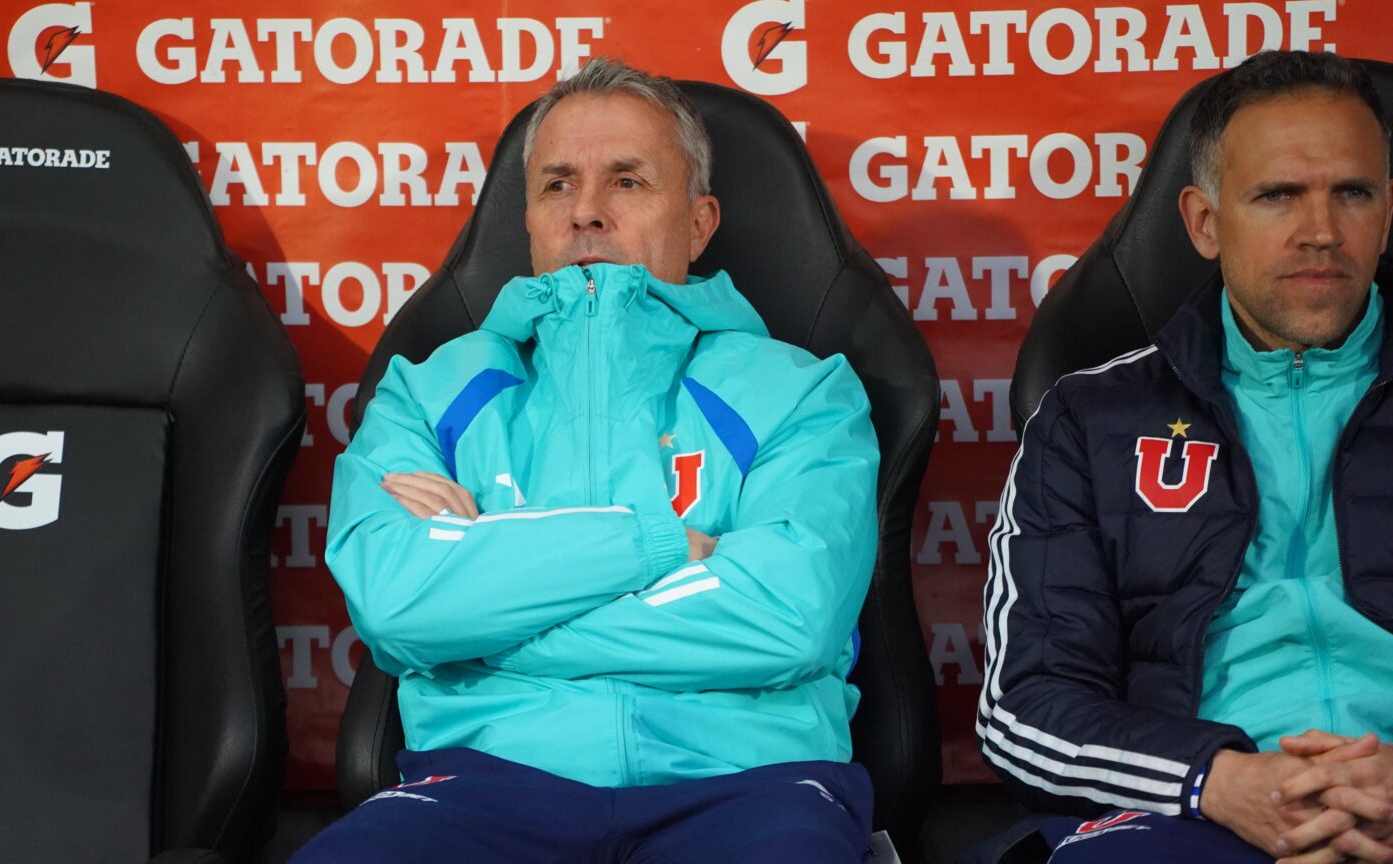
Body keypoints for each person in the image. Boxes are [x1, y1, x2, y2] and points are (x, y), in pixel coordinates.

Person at [294, 57, 881, 863]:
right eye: (558, 185)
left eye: (628, 183)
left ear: (700, 222)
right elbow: (398, 608)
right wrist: (657, 545)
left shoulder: (805, 395)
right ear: (529, 218)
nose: (587, 214)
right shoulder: (427, 394)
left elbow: (788, 621)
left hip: (753, 783)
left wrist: (484, 610)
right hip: (481, 783)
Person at [976, 51, 1393, 864]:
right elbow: (1025, 707)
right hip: (1192, 813)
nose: (1321, 230)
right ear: (1204, 222)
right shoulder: (1091, 418)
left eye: (1353, 193)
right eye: (1278, 195)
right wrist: (1216, 781)